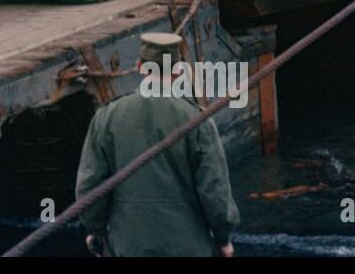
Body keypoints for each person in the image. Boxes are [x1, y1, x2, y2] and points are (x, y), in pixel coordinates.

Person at [75, 31, 240, 257]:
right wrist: (224, 238)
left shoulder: (107, 117)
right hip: (187, 248)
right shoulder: (196, 119)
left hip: (127, 246)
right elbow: (215, 190)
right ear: (178, 71)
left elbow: (90, 187)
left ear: (140, 67)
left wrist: (95, 230)